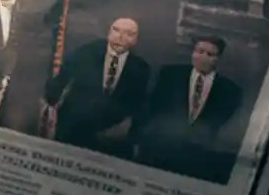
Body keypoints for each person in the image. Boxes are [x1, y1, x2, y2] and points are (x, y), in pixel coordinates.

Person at [136, 36, 243, 183]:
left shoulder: (230, 89)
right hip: (159, 148)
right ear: (192, 53)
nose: (203, 57)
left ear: (219, 59)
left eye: (210, 54)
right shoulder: (169, 74)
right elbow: (152, 107)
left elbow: (218, 121)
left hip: (198, 154)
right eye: (200, 51)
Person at [40, 17, 150, 159]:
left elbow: (140, 106)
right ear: (109, 32)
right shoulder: (87, 52)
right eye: (116, 30)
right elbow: (60, 80)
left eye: (129, 34)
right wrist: (49, 106)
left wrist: (129, 132)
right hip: (73, 127)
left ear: (136, 40)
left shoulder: (141, 68)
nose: (121, 37)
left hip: (111, 138)